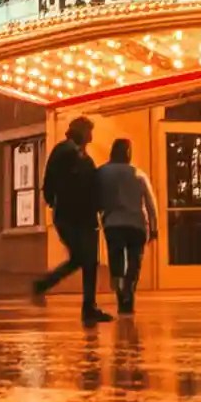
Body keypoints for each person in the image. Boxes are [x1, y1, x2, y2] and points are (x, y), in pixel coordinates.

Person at [34, 116, 114, 324]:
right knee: (84, 258)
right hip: (73, 214)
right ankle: (85, 305)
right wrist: (55, 202)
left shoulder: (77, 154)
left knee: (86, 259)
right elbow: (53, 181)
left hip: (82, 214)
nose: (92, 136)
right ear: (81, 131)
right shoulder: (68, 152)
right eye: (89, 131)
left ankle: (85, 304)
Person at [96, 138, 158, 316]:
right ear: (128, 153)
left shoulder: (102, 173)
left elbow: (96, 197)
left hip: (113, 223)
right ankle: (128, 294)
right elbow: (150, 203)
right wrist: (154, 227)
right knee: (134, 263)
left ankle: (120, 294)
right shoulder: (138, 173)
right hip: (136, 225)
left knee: (116, 262)